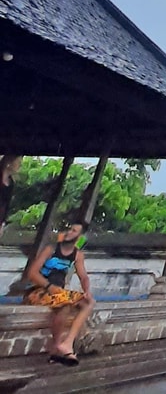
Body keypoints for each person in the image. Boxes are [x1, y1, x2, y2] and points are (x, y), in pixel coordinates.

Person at [24, 214, 95, 366]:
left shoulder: (77, 255)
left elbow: (84, 277)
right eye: (70, 229)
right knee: (65, 305)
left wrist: (87, 290)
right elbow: (32, 273)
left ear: (80, 237)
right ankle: (57, 347)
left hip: (58, 293)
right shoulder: (51, 249)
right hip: (38, 290)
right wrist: (49, 287)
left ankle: (67, 343)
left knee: (88, 302)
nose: (69, 232)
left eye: (74, 231)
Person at [0, 155, 22, 236]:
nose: (19, 165)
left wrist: (2, 223)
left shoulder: (11, 182)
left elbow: (6, 205)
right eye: (18, 162)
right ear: (9, 163)